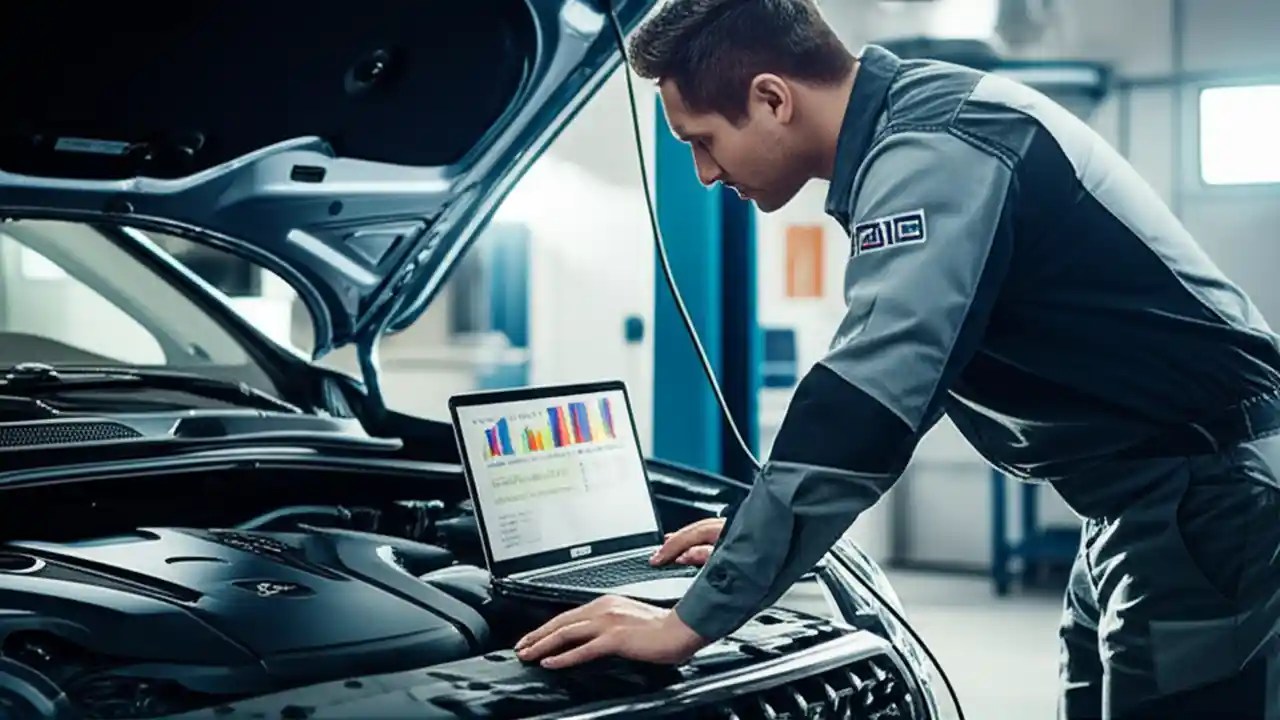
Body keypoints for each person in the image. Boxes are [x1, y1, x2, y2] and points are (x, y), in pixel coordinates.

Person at [514, 1, 1280, 717]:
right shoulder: (918, 127)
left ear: (773, 99)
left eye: (703, 141)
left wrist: (688, 620)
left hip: (1209, 495)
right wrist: (755, 536)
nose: (705, 174)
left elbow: (865, 405)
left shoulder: (940, 147)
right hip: (1144, 497)